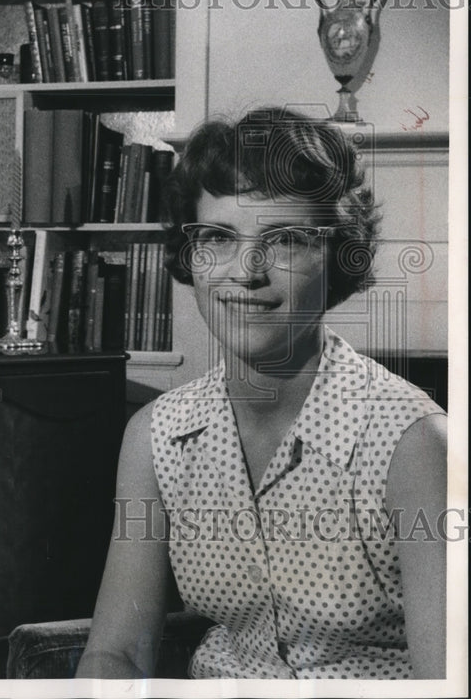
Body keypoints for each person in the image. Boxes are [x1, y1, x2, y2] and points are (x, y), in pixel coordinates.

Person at [76, 108, 446, 680]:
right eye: (219, 237)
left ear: (338, 259)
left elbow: (449, 684)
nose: (246, 270)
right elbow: (118, 652)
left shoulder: (414, 445)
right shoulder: (155, 437)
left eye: (287, 240)